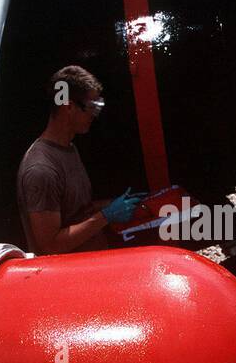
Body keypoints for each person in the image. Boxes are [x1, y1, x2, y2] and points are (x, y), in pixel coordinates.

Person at [16, 65, 145, 254]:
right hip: (72, 275)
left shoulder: (69, 148)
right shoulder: (41, 169)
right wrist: (106, 216)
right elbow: (50, 245)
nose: (94, 115)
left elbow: (77, 210)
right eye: (91, 107)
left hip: (92, 258)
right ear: (68, 106)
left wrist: (115, 204)